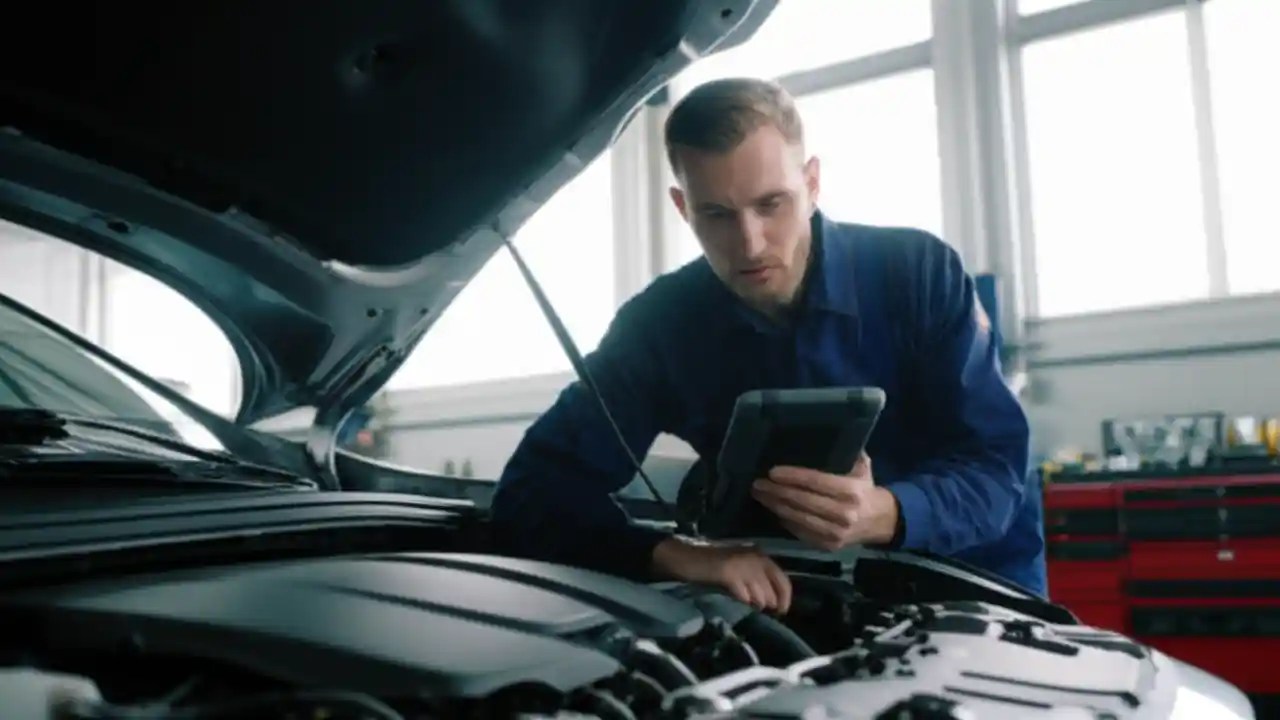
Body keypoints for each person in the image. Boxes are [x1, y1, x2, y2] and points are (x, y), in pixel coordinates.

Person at [490, 77, 1043, 611]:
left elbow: (998, 469)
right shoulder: (659, 328)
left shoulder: (919, 273)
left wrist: (889, 513)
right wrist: (672, 555)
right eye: (717, 214)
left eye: (771, 203)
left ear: (813, 184)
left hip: (976, 590)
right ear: (684, 208)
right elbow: (532, 493)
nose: (749, 243)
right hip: (794, 599)